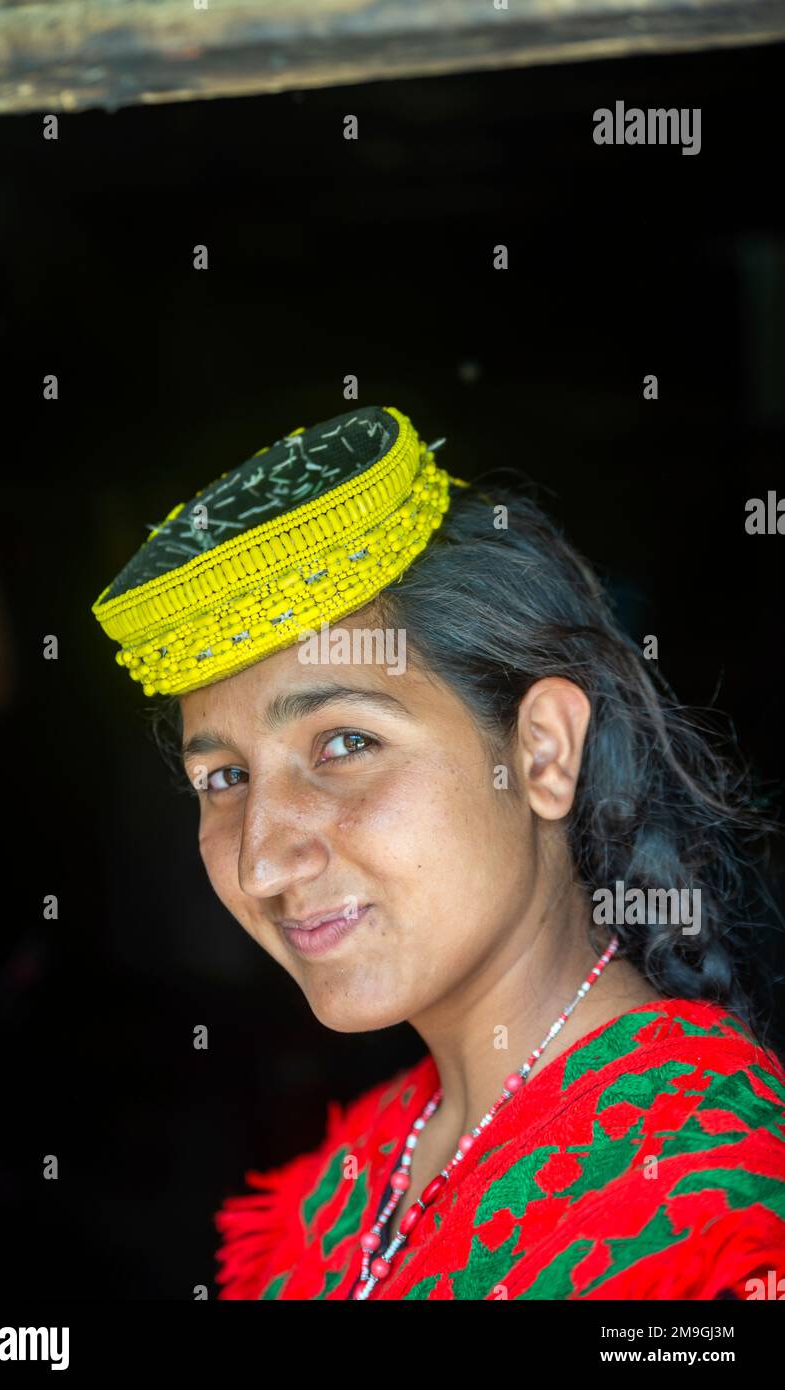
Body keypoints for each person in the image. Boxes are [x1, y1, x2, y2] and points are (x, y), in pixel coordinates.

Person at [91, 404, 785, 1300]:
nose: (261, 864)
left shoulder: (712, 1205)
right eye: (223, 778)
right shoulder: (336, 1189)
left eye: (345, 744)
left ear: (542, 753)